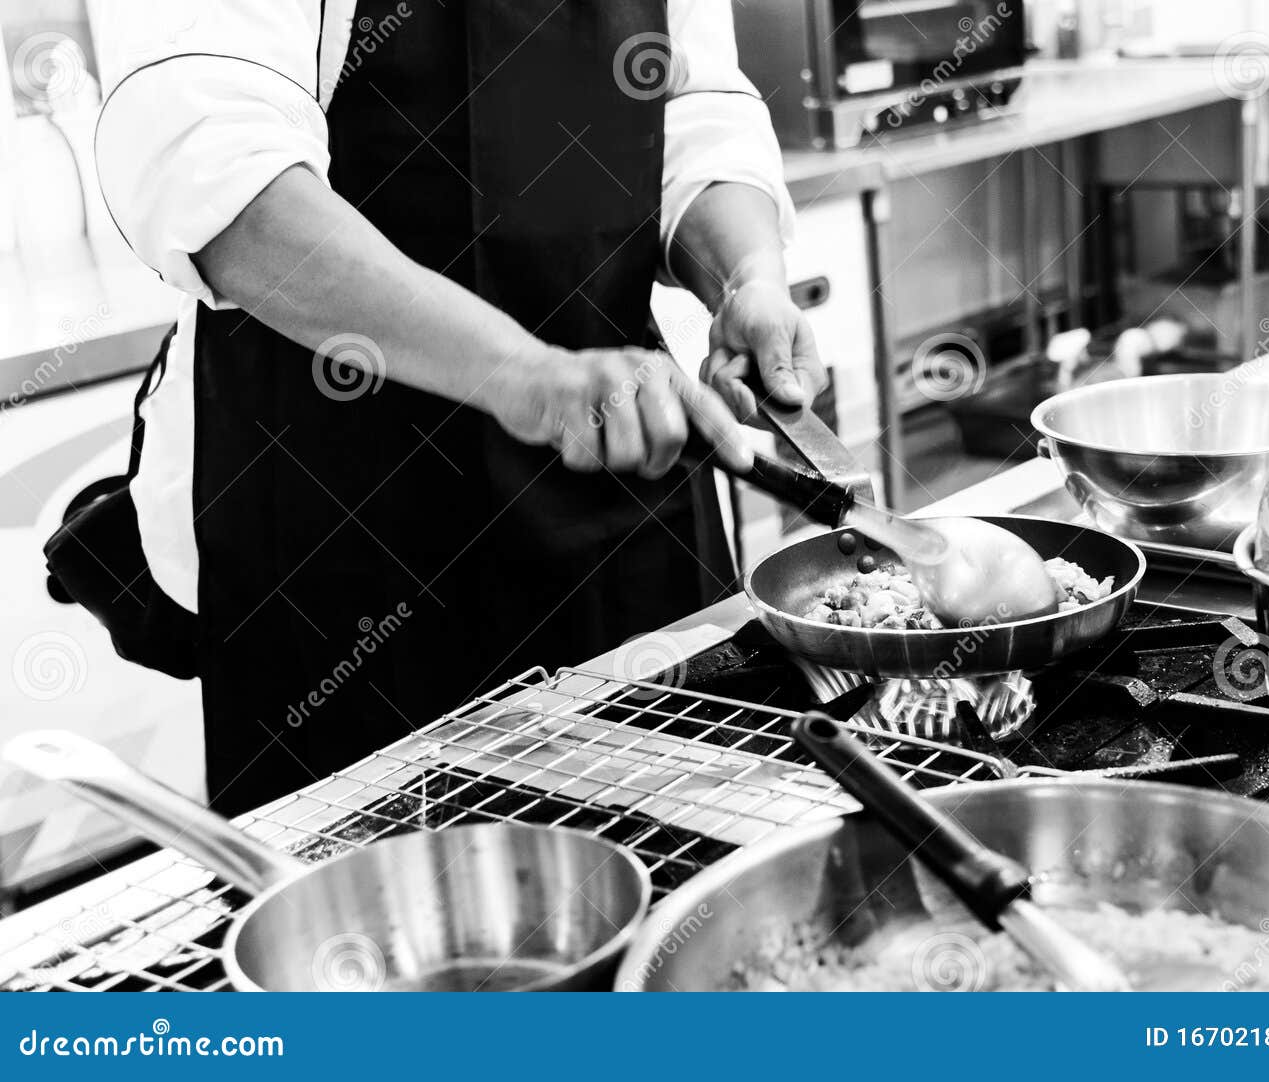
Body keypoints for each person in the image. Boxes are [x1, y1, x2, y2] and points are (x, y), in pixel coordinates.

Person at [90, 1, 825, 814]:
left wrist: (746, 276)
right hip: (338, 499)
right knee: (381, 882)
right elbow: (218, 178)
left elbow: (691, 108)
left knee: (689, 840)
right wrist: (523, 375)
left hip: (620, 461)